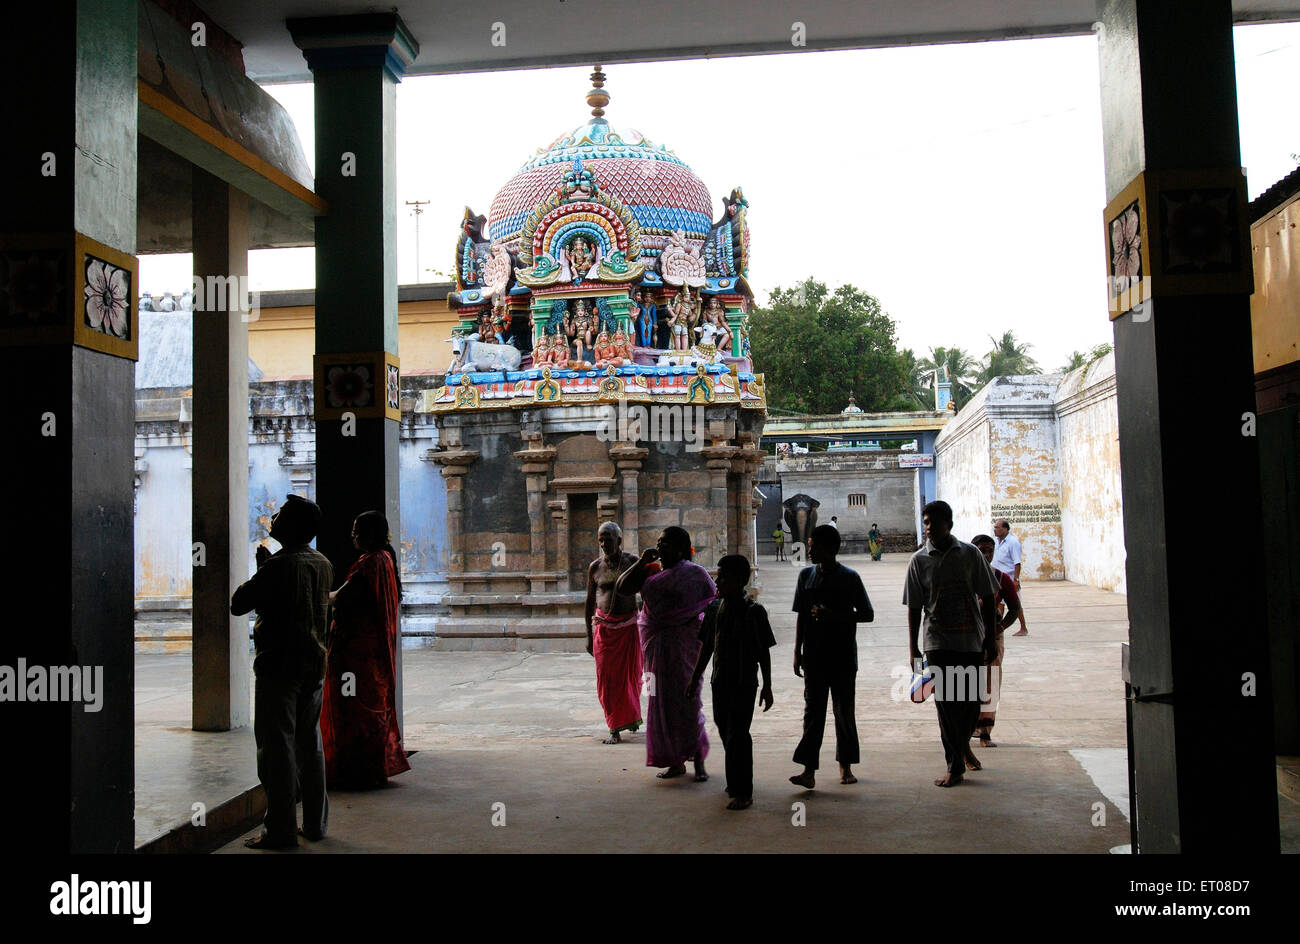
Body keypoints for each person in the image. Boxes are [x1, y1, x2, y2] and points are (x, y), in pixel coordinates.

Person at [230, 494, 333, 848]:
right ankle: (316, 824)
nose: (274, 516)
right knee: (310, 744)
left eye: (281, 514)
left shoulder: (278, 566)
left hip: (279, 666)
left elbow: (238, 604)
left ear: (290, 526)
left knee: (276, 749)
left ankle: (281, 830)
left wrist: (263, 568)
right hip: (314, 664)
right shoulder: (322, 563)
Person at [904, 500, 998, 787]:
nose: (929, 528)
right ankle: (954, 765)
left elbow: (990, 597)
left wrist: (991, 639)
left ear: (950, 524)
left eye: (934, 522)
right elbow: (913, 607)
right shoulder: (919, 561)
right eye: (926, 522)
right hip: (937, 642)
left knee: (969, 705)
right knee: (945, 706)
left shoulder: (970, 555)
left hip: (970, 641)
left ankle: (962, 746)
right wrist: (913, 649)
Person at [615, 526, 715, 781]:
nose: (660, 547)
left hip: (684, 647)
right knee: (660, 702)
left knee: (688, 701)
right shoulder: (652, 571)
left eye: (665, 543)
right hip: (655, 647)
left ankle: (699, 762)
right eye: (658, 542)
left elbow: (711, 603)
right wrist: (641, 562)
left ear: (680, 549)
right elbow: (623, 587)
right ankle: (674, 761)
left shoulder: (695, 574)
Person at [319, 511, 410, 789]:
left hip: (356, 651)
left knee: (353, 708)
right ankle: (370, 768)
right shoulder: (386, 559)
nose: (353, 536)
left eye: (357, 531)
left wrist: (316, 592)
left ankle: (354, 771)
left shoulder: (369, 563)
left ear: (370, 534)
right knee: (372, 707)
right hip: (374, 652)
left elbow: (340, 598)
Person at [790, 524, 874, 789]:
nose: (810, 550)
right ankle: (808, 770)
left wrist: (835, 616)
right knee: (812, 713)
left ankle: (845, 765)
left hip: (842, 655)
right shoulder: (805, 577)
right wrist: (796, 651)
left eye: (814, 546)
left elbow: (867, 614)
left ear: (831, 549)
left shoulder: (850, 577)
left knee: (843, 711)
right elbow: (802, 616)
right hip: (813, 655)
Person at [688, 555, 775, 810]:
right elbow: (706, 648)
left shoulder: (754, 611)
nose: (718, 581)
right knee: (725, 729)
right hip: (720, 681)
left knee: (738, 734)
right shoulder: (715, 608)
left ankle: (743, 790)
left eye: (723, 577)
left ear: (739, 581)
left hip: (744, 682)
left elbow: (763, 652)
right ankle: (735, 777)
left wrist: (767, 686)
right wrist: (695, 678)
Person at [584, 522, 643, 744]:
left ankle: (631, 718)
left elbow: (646, 591)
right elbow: (589, 601)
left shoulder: (633, 562)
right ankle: (614, 728)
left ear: (619, 540)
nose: (603, 543)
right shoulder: (595, 567)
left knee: (631, 678)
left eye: (608, 538)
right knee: (607, 681)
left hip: (629, 628)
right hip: (604, 630)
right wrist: (589, 636)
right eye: (600, 539)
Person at [970, 534, 1022, 750]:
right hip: (968, 637)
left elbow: (1014, 607)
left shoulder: (1000, 577)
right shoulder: (964, 577)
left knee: (990, 684)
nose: (986, 555)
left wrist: (1000, 628)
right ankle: (967, 729)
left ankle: (985, 733)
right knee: (968, 684)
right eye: (982, 550)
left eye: (990, 550)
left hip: (992, 637)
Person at [992, 519, 1028, 635]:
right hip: (998, 578)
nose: (995, 529)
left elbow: (1017, 562)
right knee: (999, 604)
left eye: (998, 527)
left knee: (1015, 604)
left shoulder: (1013, 542)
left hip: (1010, 578)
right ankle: (998, 628)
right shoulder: (996, 542)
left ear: (1005, 529)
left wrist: (1016, 580)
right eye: (995, 527)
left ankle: (1023, 628)